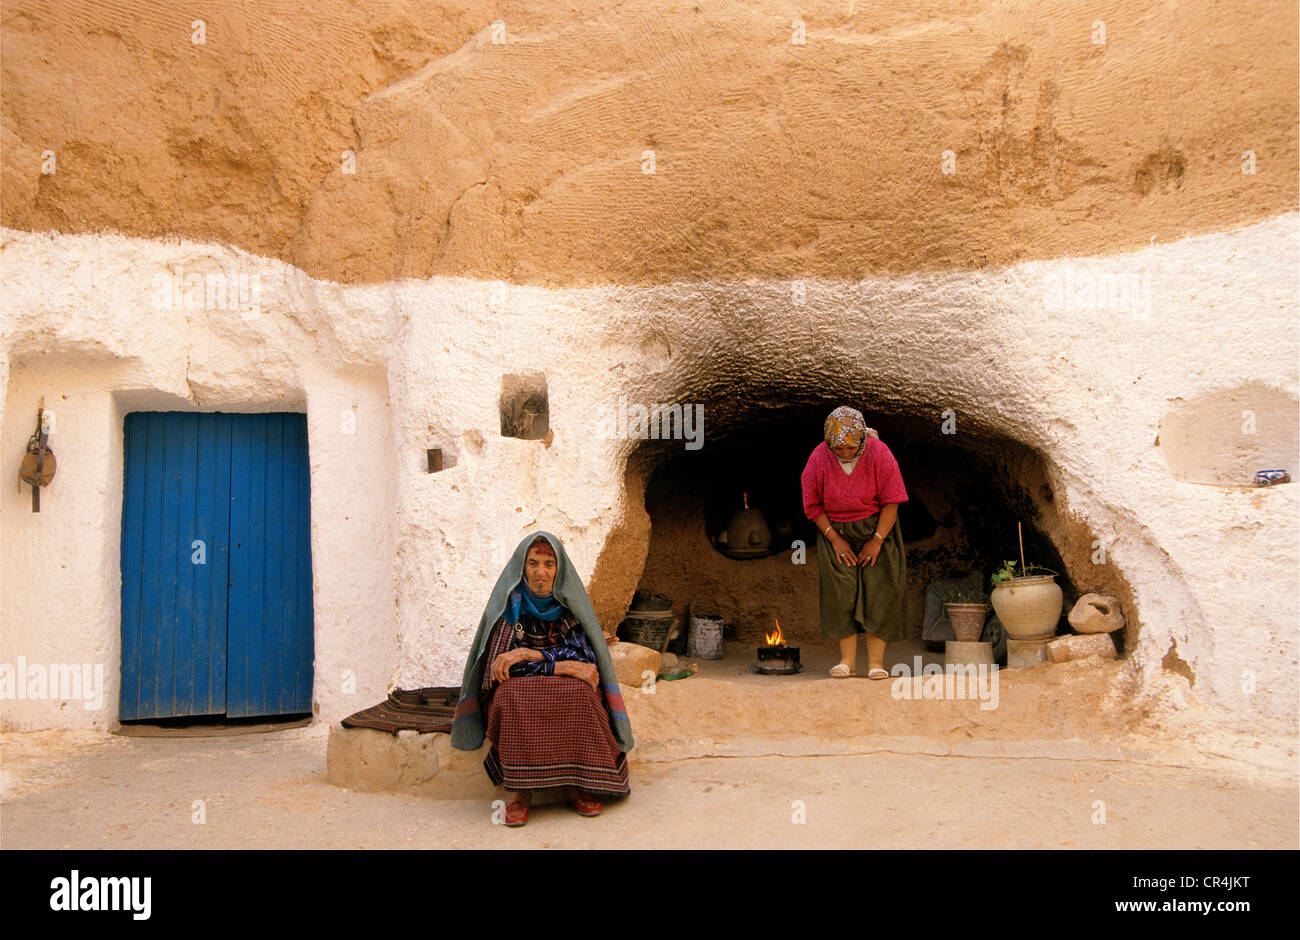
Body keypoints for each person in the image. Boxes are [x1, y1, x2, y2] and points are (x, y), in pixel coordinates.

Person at [451, 532, 632, 827]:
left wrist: (531, 656)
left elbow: (586, 661)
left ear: (559, 570)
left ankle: (577, 783)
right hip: (519, 689)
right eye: (533, 563)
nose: (540, 572)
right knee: (512, 696)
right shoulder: (510, 605)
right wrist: (560, 666)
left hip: (556, 681)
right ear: (521, 568)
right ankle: (522, 792)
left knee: (581, 694)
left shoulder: (569, 602)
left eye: (549, 564)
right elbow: (500, 670)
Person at [800, 406, 909, 679]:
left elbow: (892, 500)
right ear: (829, 442)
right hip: (834, 533)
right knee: (841, 592)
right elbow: (812, 505)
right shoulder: (819, 457)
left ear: (861, 438)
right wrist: (835, 539)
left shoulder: (879, 453)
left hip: (878, 529)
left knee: (880, 589)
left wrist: (877, 541)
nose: (845, 453)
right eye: (838, 448)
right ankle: (847, 661)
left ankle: (876, 663)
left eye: (851, 447)